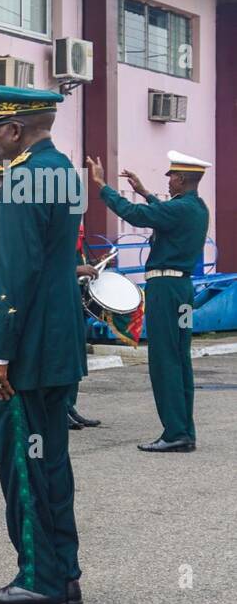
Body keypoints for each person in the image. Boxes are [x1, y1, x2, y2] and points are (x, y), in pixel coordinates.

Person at [0, 84, 85, 604]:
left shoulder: (20, 181)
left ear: (15, 130)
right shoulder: (64, 172)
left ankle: (38, 578)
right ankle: (64, 572)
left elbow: (15, 274)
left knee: (23, 461)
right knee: (52, 461)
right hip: (57, 343)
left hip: (24, 353)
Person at [86, 150, 211, 453]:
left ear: (181, 179)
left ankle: (175, 432)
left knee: (165, 360)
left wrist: (102, 186)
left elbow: (135, 215)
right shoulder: (196, 207)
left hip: (166, 289)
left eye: (171, 176)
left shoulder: (179, 209)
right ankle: (184, 430)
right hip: (182, 290)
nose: (168, 181)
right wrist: (144, 192)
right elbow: (165, 214)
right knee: (180, 359)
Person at [67, 222, 102, 430]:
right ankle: (59, 408)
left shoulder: (76, 235)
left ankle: (70, 406)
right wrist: (77, 269)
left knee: (77, 357)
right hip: (58, 302)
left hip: (76, 301)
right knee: (64, 357)